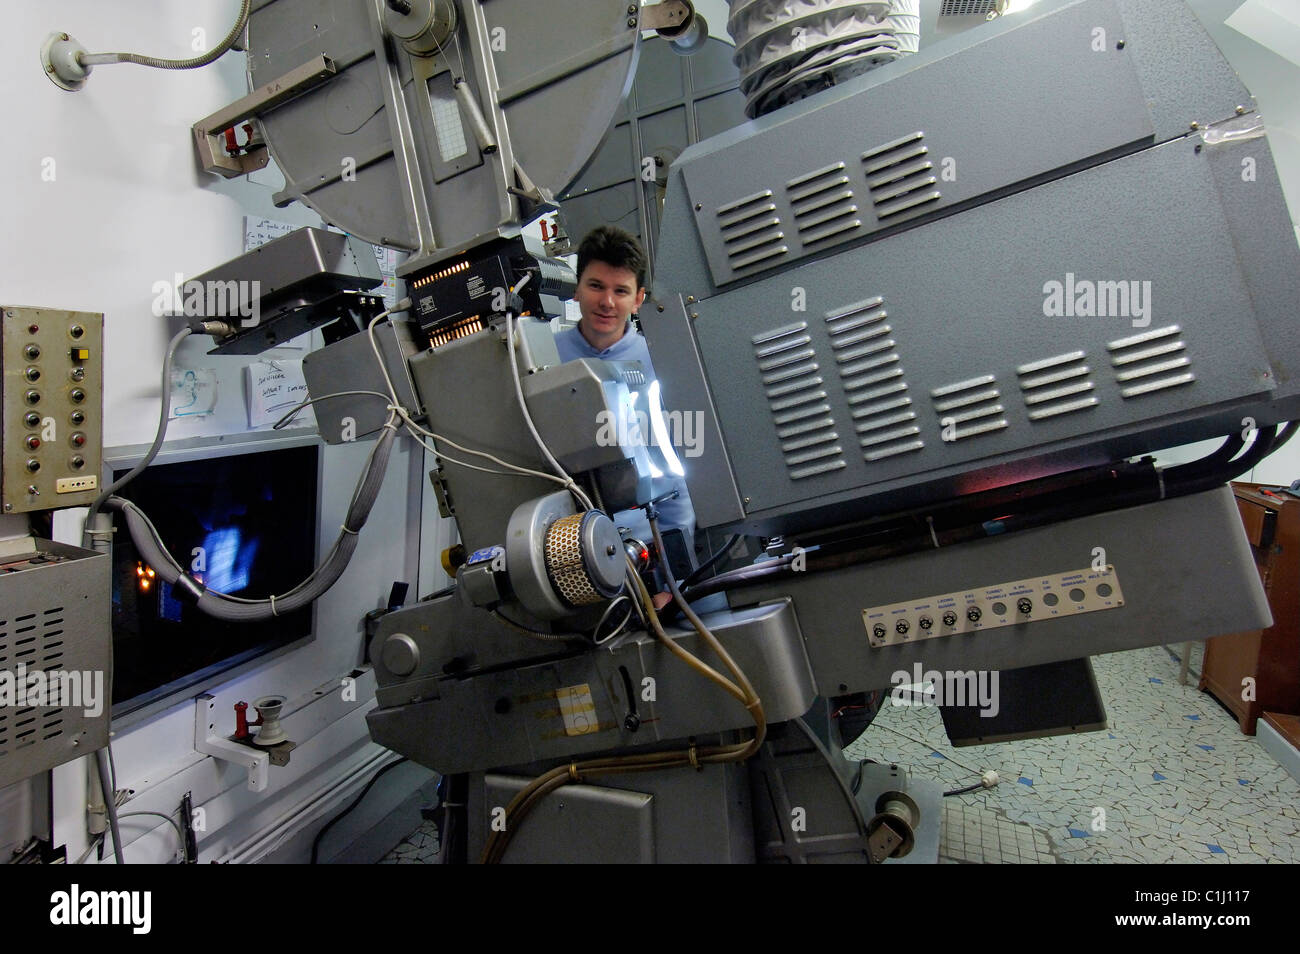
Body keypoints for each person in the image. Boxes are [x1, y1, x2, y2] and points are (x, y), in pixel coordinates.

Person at [554, 226, 696, 599]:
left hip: (648, 543)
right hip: (568, 547)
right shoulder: (542, 358)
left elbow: (677, 478)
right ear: (577, 288)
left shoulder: (660, 361)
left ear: (638, 299)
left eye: (621, 291)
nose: (607, 302)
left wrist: (673, 582)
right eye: (596, 286)